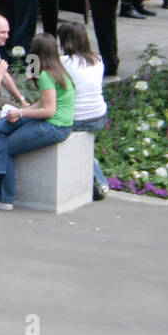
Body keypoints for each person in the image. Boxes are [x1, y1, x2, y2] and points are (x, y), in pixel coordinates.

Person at [0, 32, 76, 210]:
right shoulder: (58, 70)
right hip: (55, 122)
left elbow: (49, 110)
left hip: (54, 127)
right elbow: (42, 102)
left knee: (5, 148)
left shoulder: (46, 75)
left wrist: (22, 113)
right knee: (0, 127)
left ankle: (4, 198)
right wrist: (22, 109)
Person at [57, 21, 111, 201]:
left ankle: (99, 182)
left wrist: (33, 58)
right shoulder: (97, 59)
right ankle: (97, 179)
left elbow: (35, 77)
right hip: (98, 114)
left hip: (76, 117)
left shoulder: (63, 62)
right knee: (88, 150)